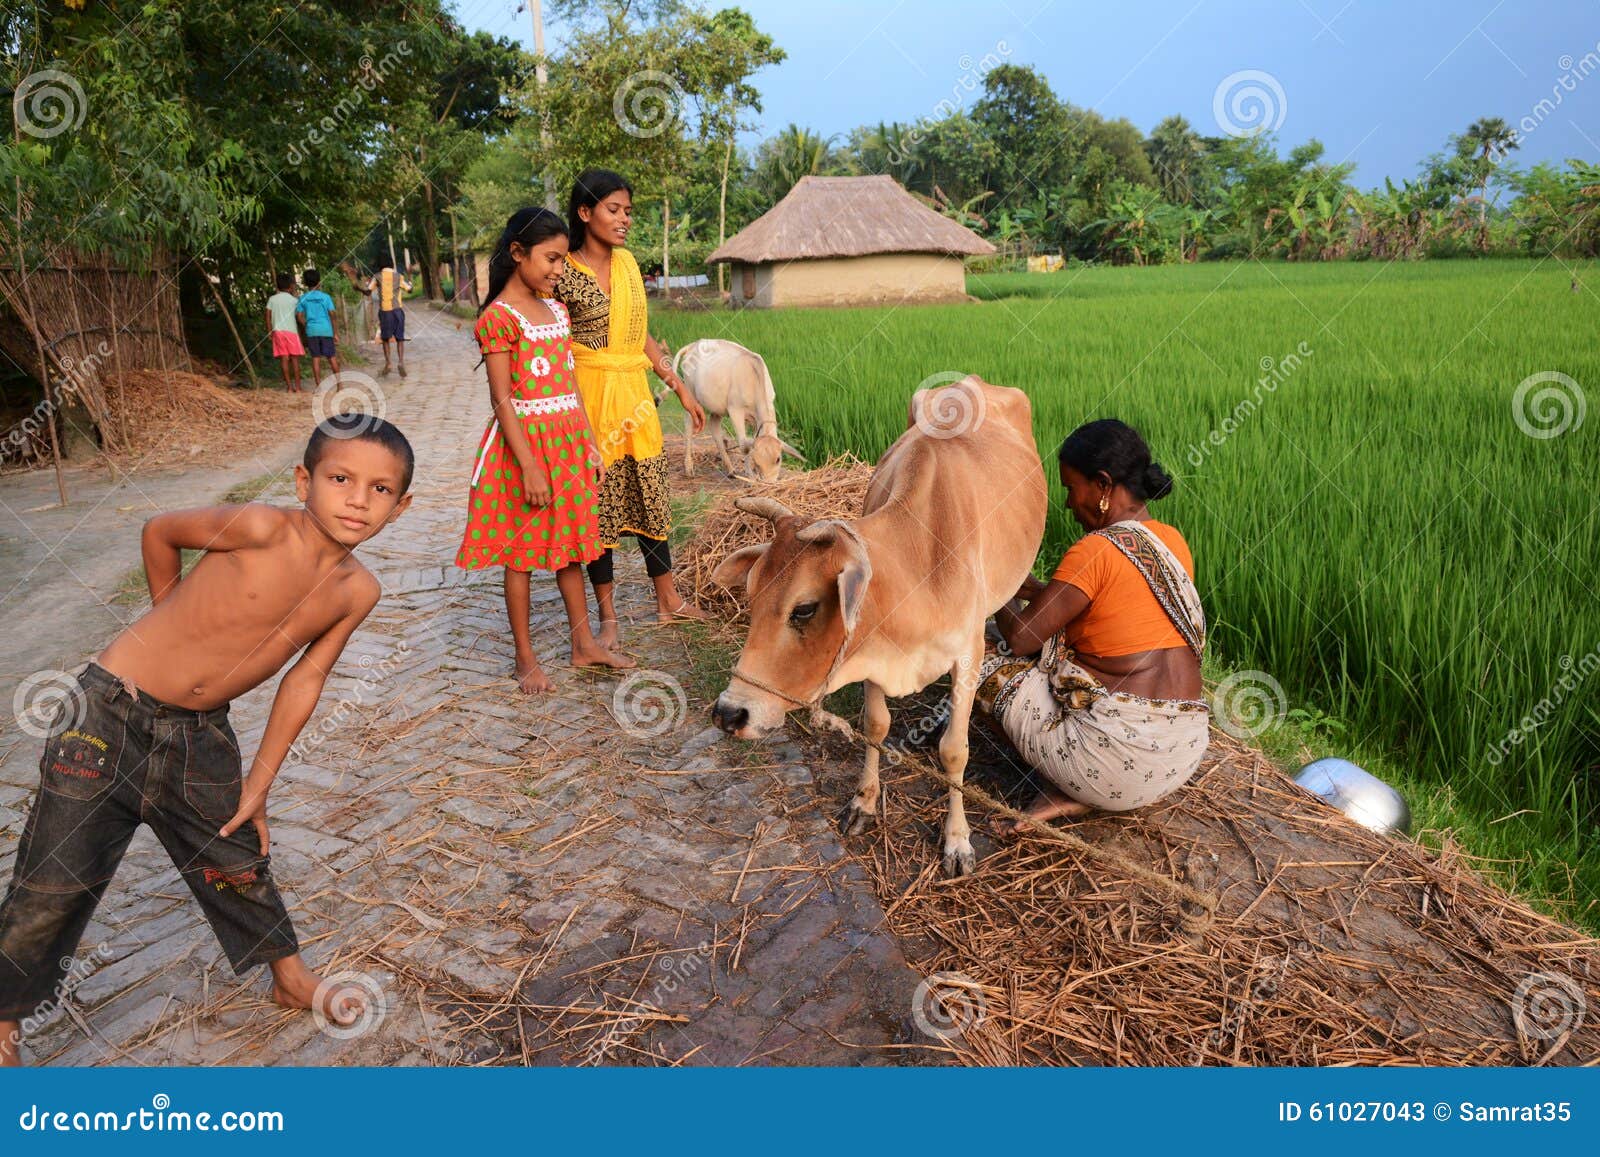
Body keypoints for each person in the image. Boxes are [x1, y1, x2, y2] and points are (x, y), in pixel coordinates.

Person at [0, 414, 416, 1066]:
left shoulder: (356, 589)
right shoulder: (262, 526)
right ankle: (5, 1016)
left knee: (238, 859)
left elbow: (306, 677)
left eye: (381, 489)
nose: (359, 499)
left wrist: (260, 782)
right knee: (54, 876)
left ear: (403, 504)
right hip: (108, 712)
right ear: (305, 479)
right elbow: (159, 531)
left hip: (200, 734)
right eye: (341, 478)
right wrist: (167, 612)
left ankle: (288, 976)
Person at [981, 419, 1210, 833]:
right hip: (1181, 755)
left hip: (1114, 765)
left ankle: (1071, 785)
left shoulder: (1094, 550)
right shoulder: (1170, 542)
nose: (1068, 504)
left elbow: (1019, 638)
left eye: (1071, 488)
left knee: (979, 653)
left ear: (1103, 485)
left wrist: (995, 579)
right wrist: (1037, 591)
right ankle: (1086, 784)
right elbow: (1112, 609)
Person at [456, 208, 635, 693]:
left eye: (562, 260)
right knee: (521, 554)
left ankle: (583, 646)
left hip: (569, 445)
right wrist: (530, 466)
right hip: (524, 452)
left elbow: (571, 385)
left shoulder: (556, 311)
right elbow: (502, 398)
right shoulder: (499, 318)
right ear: (518, 253)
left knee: (571, 548)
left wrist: (591, 447)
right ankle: (524, 656)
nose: (559, 269)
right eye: (551, 259)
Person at [553, 169, 707, 648]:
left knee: (651, 496)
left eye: (628, 212)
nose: (624, 220)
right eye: (613, 210)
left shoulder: (627, 266)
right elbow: (552, 342)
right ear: (585, 213)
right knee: (600, 509)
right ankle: (609, 617)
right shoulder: (563, 272)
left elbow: (640, 334)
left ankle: (669, 601)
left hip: (634, 397)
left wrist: (677, 384)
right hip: (588, 398)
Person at [367, 256, 412, 378]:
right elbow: (409, 290)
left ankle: (388, 363)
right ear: (392, 264)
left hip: (385, 311)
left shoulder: (377, 276)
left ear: (380, 265)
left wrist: (358, 288)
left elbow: (368, 291)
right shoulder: (399, 276)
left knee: (385, 339)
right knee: (400, 338)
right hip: (398, 311)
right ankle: (401, 362)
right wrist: (411, 282)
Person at [296, 267, 340, 386]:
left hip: (312, 331)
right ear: (319, 281)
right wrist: (335, 332)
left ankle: (318, 386)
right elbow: (332, 314)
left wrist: (306, 324)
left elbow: (299, 316)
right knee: (332, 358)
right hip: (326, 330)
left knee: (316, 358)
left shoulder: (302, 298)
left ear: (305, 283)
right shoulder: (326, 297)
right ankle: (340, 385)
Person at [265, 273, 304, 393]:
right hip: (292, 332)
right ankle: (298, 388)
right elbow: (299, 317)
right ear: (291, 286)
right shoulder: (294, 300)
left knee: (284, 359)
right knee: (295, 360)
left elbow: (267, 316)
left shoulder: (272, 299)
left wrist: (269, 331)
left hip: (278, 332)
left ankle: (289, 387)